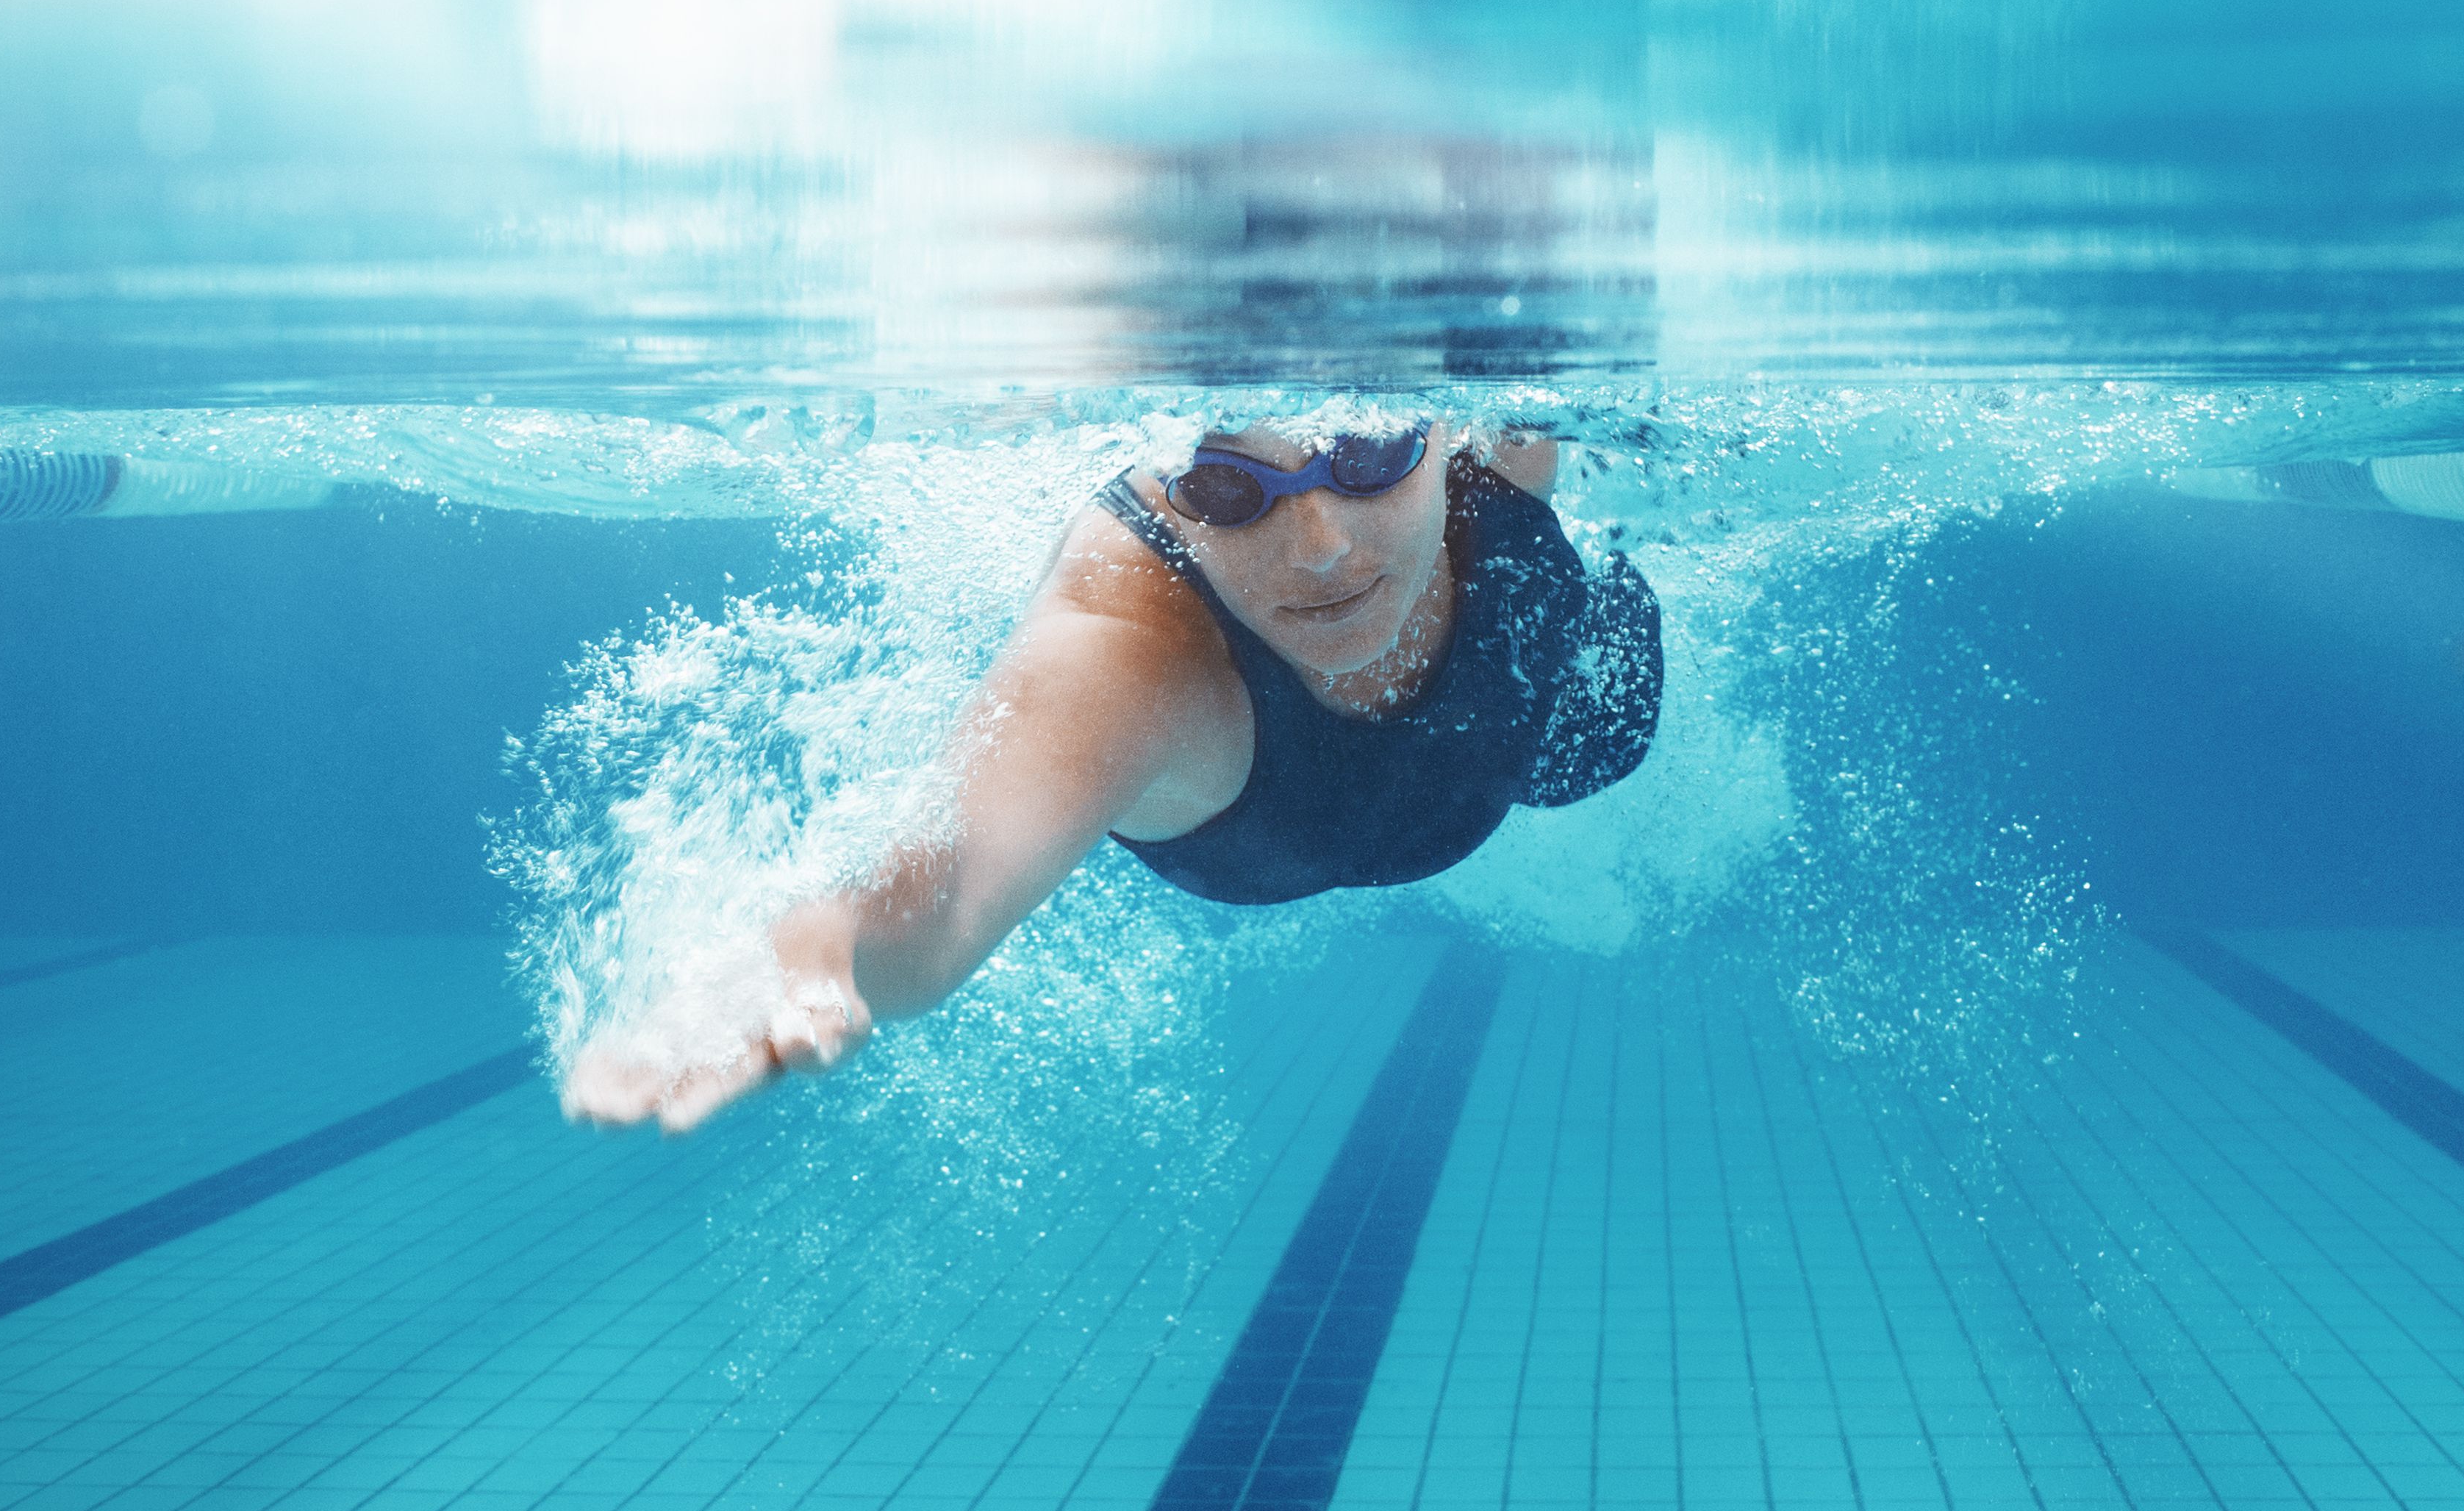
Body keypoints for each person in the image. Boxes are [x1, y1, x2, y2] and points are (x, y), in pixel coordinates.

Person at [562, 419, 1661, 1132]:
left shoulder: (1497, 448)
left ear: (1443, 425)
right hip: (1291, 814)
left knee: (1605, 732)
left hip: (1534, 724)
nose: (1321, 546)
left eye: (1371, 455)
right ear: (1164, 480)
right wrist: (834, 947)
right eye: (1231, 490)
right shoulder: (1129, 644)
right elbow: (940, 889)